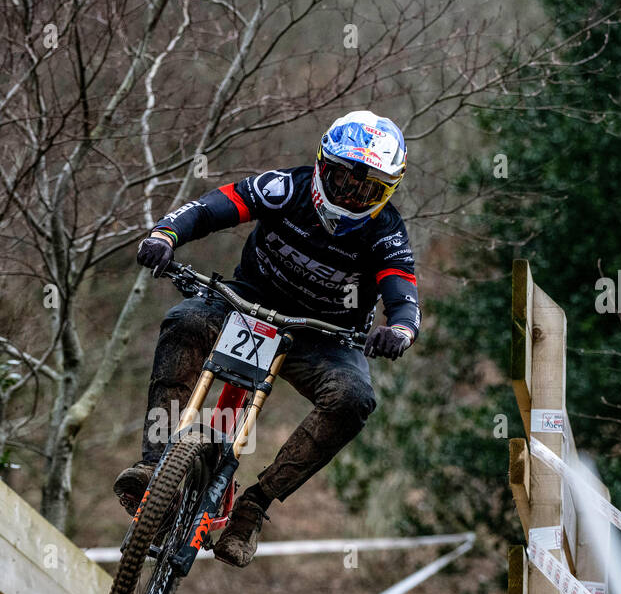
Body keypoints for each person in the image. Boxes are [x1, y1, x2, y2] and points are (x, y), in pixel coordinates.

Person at [115, 110, 421, 567]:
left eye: (368, 189)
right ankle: (155, 465)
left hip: (321, 336)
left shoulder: (386, 232)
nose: (352, 195)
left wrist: (399, 330)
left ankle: (254, 506)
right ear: (322, 165)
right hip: (246, 301)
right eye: (343, 180)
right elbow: (212, 207)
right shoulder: (286, 188)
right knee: (183, 321)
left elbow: (403, 296)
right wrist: (166, 234)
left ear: (386, 193)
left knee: (354, 398)